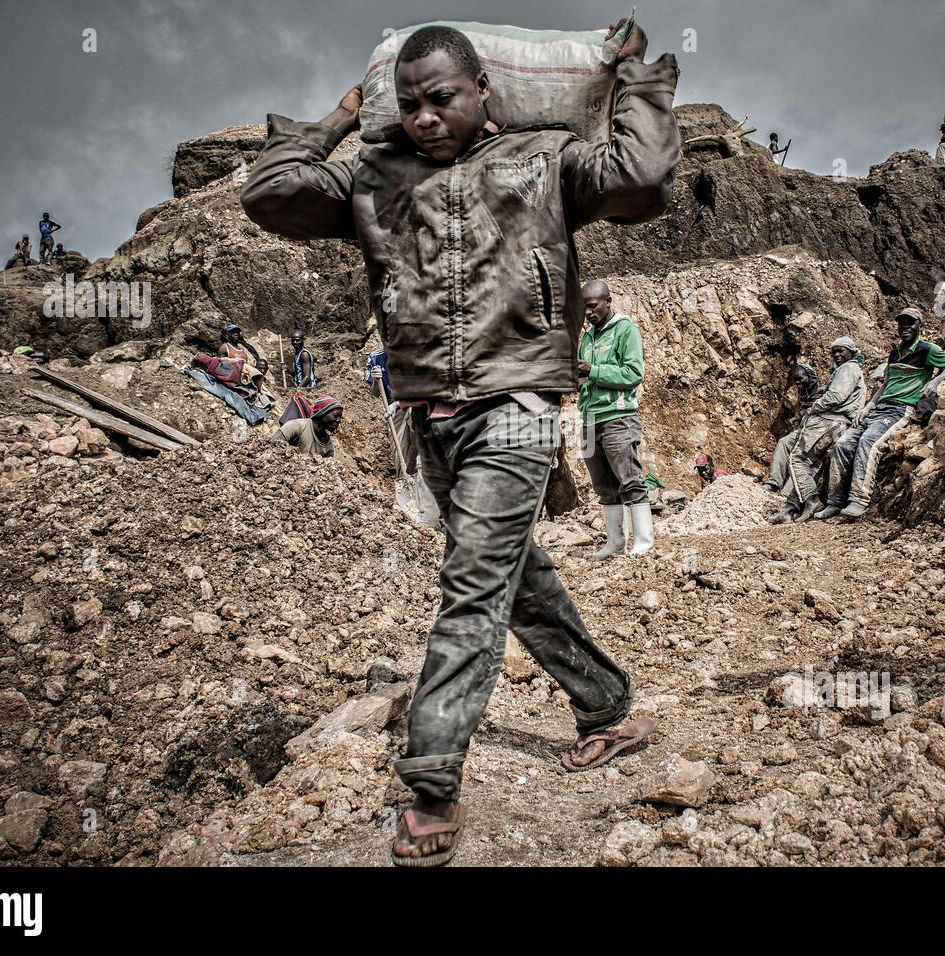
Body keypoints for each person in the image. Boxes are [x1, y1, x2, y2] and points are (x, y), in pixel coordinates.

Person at [241, 19, 678, 867]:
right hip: (428, 418)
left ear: (485, 88)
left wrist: (636, 81)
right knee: (516, 580)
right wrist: (341, 113)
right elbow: (269, 194)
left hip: (515, 405)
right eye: (407, 104)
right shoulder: (373, 179)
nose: (425, 117)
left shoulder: (545, 161)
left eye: (442, 97)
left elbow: (646, 174)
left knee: (472, 584)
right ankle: (608, 708)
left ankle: (432, 779)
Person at [817, 309, 945, 523]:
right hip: (878, 408)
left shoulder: (928, 349)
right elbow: (887, 382)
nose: (905, 326)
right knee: (842, 444)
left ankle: (858, 501)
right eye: (902, 323)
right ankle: (834, 502)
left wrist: (935, 382)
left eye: (911, 323)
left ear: (920, 326)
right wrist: (868, 406)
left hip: (900, 409)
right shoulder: (895, 351)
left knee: (868, 442)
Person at [578, 279, 653, 560]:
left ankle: (643, 543)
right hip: (588, 418)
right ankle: (615, 543)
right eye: (583, 308)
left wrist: (593, 370)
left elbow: (633, 373)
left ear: (608, 301)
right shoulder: (587, 337)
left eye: (592, 306)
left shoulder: (625, 330)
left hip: (618, 418)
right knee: (603, 485)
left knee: (629, 480)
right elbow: (585, 376)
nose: (588, 313)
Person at [770, 337, 866, 523]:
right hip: (836, 424)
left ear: (852, 352)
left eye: (841, 351)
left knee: (798, 460)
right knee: (809, 463)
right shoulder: (850, 370)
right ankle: (790, 509)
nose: (837, 354)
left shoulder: (848, 369)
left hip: (827, 421)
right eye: (834, 352)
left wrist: (814, 407)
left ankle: (812, 501)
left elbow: (835, 397)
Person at [762, 363, 819, 493]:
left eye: (801, 379)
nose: (798, 383)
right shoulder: (804, 394)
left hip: (816, 432)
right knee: (783, 442)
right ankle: (774, 483)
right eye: (796, 381)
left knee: (799, 455)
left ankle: (788, 493)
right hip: (803, 429)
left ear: (810, 376)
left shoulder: (823, 392)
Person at [274, 395, 341, 458]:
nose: (338, 420)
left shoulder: (328, 448)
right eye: (336, 416)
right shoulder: (295, 426)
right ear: (322, 412)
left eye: (340, 417)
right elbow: (272, 446)